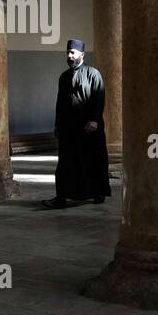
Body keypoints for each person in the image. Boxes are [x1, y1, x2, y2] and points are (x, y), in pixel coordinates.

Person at [42, 39, 112, 209]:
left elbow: (99, 99)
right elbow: (60, 104)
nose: (69, 55)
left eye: (73, 52)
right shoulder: (64, 77)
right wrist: (58, 125)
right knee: (66, 164)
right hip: (69, 129)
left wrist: (94, 120)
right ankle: (61, 198)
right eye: (68, 52)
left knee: (94, 160)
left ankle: (98, 193)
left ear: (82, 54)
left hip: (89, 129)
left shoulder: (93, 74)